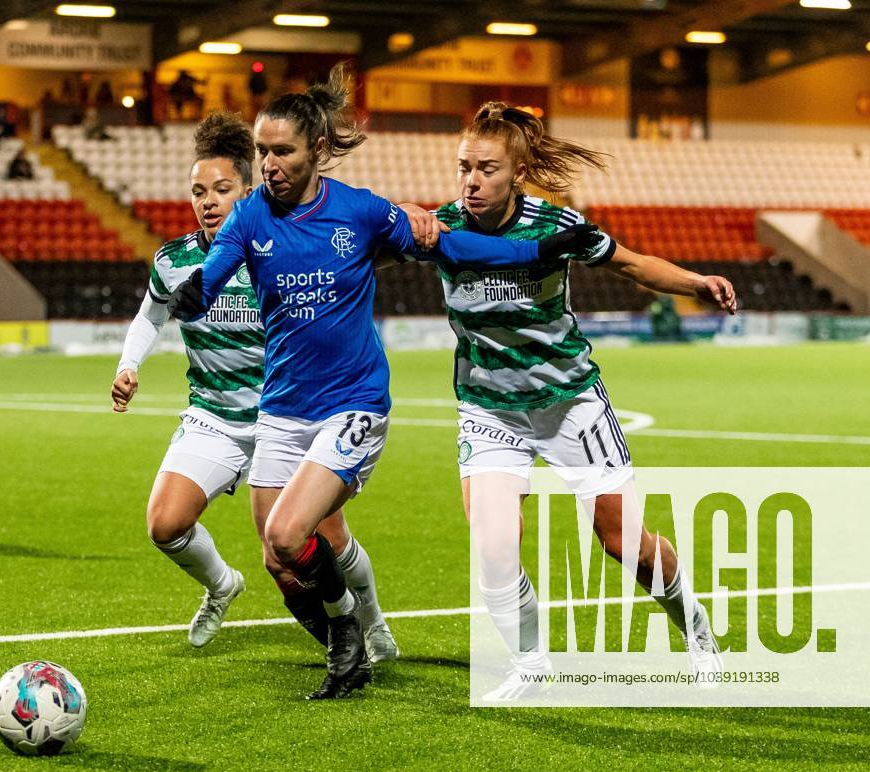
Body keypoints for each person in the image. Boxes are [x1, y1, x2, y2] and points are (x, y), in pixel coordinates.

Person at [167, 66, 602, 699]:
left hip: (354, 404)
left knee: (289, 533)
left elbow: (454, 249)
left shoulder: (360, 210)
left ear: (318, 150)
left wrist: (536, 251)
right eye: (262, 151)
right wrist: (194, 294)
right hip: (283, 407)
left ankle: (349, 632)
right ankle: (354, 633)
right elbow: (212, 275)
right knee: (277, 557)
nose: (268, 165)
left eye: (282, 151)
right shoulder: (249, 217)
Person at [414, 102, 736, 700]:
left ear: (517, 172)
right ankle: (531, 666)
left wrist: (697, 282)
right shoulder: (441, 228)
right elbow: (362, 247)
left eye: (486, 169)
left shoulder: (556, 226)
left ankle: (693, 623)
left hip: (569, 403)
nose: (471, 181)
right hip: (489, 407)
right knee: (493, 544)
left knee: (623, 543)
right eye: (464, 167)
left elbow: (634, 265)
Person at [110, 111, 398, 660]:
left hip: (286, 415)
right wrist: (130, 365)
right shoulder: (175, 261)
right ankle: (222, 585)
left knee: (325, 540)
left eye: (222, 189)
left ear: (247, 191)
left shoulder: (273, 247)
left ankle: (373, 623)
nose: (208, 202)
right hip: (215, 415)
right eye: (198, 191)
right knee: (164, 525)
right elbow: (152, 314)